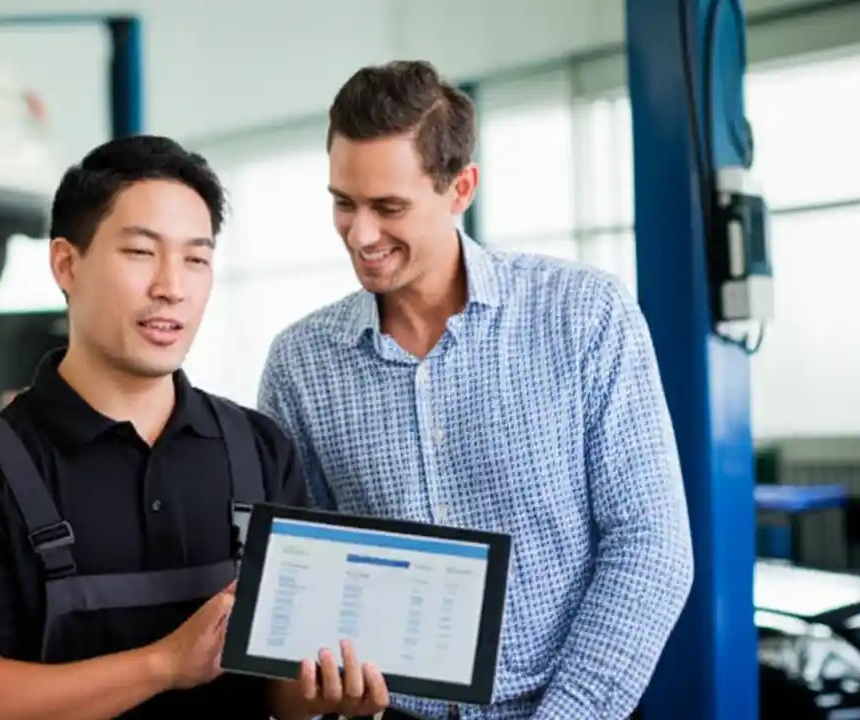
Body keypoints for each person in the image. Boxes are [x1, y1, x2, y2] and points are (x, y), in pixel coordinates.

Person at [258, 60, 694, 720]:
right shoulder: (301, 363)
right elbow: (297, 582)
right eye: (343, 203)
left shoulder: (584, 316)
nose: (360, 234)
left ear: (461, 188)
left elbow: (651, 547)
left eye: (389, 207)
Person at [0, 134, 389, 720]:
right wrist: (163, 664)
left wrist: (329, 692)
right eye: (141, 253)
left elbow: (278, 683)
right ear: (66, 263)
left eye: (196, 258)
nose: (172, 286)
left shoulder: (260, 450)